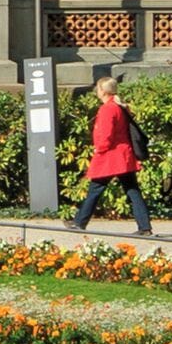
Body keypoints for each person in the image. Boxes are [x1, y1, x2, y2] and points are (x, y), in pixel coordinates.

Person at [70, 70, 152, 236]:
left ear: (103, 90)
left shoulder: (107, 109)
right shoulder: (119, 107)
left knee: (96, 188)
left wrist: (99, 149)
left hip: (110, 156)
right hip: (123, 155)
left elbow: (105, 134)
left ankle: (79, 222)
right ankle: (145, 227)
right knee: (132, 190)